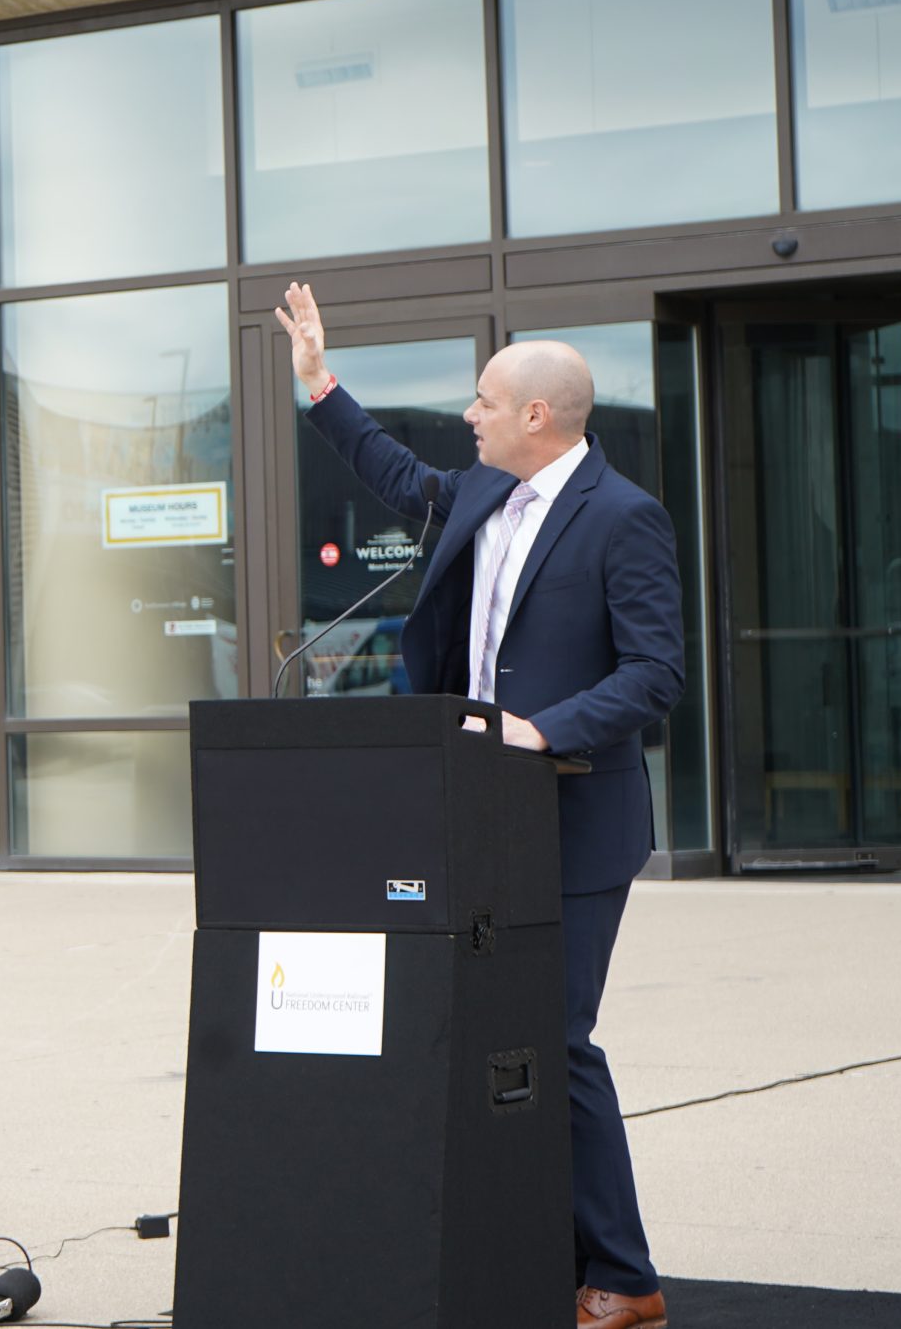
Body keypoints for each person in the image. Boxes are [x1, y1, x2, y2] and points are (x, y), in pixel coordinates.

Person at [275, 282, 682, 1329]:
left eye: (485, 402)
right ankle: (533, 1248)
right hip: (477, 810)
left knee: (557, 1038)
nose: (469, 414)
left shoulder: (623, 517)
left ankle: (625, 1275)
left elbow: (655, 673)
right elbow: (391, 469)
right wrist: (318, 381)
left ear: (535, 415)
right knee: (489, 1035)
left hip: (578, 820)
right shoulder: (479, 494)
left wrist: (542, 730)